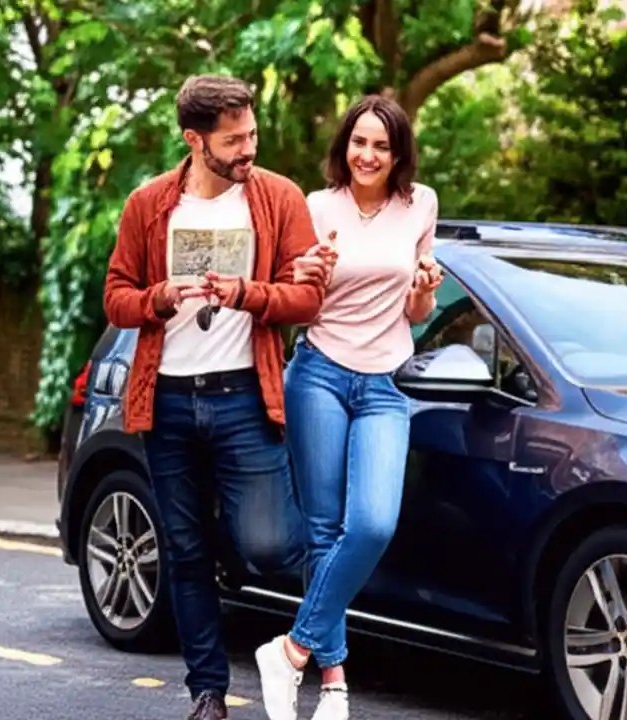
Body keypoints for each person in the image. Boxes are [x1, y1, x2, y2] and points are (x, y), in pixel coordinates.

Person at [102, 74, 332, 720]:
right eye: (233, 141)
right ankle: (207, 691)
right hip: (168, 402)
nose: (247, 149)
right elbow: (115, 297)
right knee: (185, 549)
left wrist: (247, 293)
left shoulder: (278, 198)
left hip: (242, 397)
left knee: (267, 543)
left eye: (252, 135)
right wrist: (159, 298)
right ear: (193, 140)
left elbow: (307, 298)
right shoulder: (149, 205)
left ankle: (314, 645)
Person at [253, 95, 441, 720]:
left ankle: (291, 650)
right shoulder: (317, 206)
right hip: (320, 374)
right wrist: (311, 270)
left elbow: (417, 313)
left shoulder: (421, 205)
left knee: (373, 524)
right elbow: (300, 298)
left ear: (398, 155)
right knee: (322, 532)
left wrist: (422, 295)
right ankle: (333, 685)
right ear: (345, 145)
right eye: (359, 142)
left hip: (385, 381)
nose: (368, 155)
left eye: (381, 146)